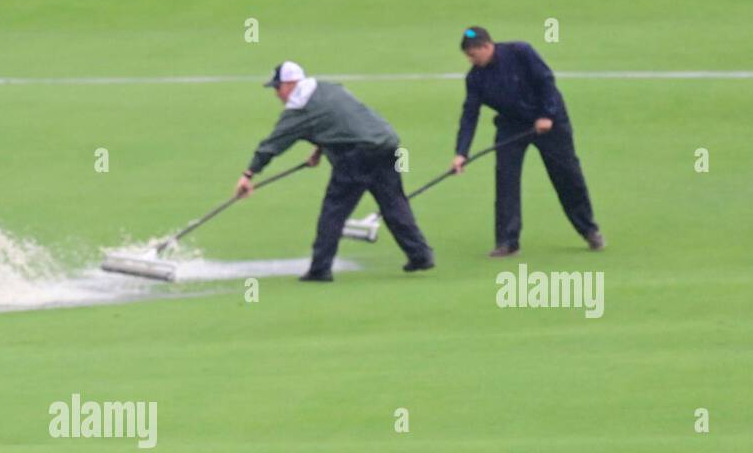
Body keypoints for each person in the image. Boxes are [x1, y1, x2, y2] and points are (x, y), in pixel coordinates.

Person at [238, 60, 434, 282]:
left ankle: (320, 269)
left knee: (334, 211)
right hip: (386, 143)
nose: (276, 94)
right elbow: (341, 120)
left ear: (291, 83)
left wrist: (248, 175)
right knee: (394, 203)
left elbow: (272, 144)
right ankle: (420, 254)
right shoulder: (329, 88)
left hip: (357, 156)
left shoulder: (299, 109)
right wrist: (319, 149)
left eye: (277, 87)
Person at [452, 26, 605, 256]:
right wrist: (461, 153)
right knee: (506, 180)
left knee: (567, 175)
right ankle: (507, 241)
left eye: (473, 55)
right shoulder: (475, 78)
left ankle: (589, 230)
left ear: (486, 46)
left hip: (549, 122)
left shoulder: (520, 52)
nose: (471, 61)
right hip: (511, 126)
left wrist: (547, 114)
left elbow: (546, 81)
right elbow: (469, 115)